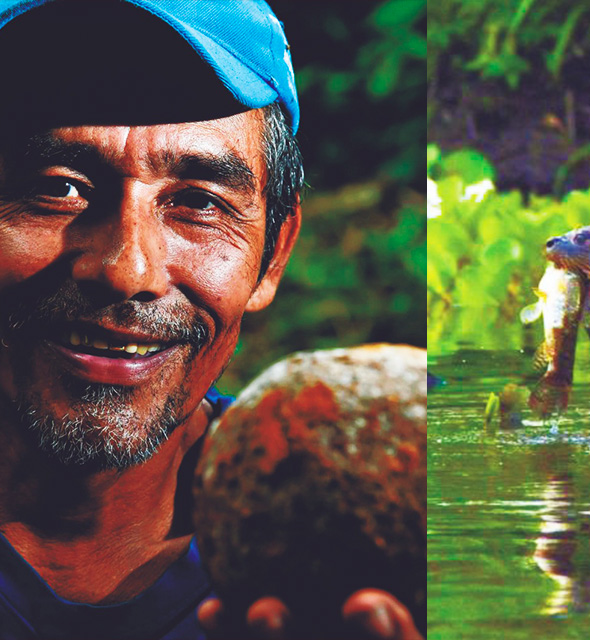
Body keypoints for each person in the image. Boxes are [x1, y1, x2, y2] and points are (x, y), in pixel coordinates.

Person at [0, 1, 421, 638]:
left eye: (198, 202)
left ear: (274, 253)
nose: (128, 270)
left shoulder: (383, 549)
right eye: (57, 186)